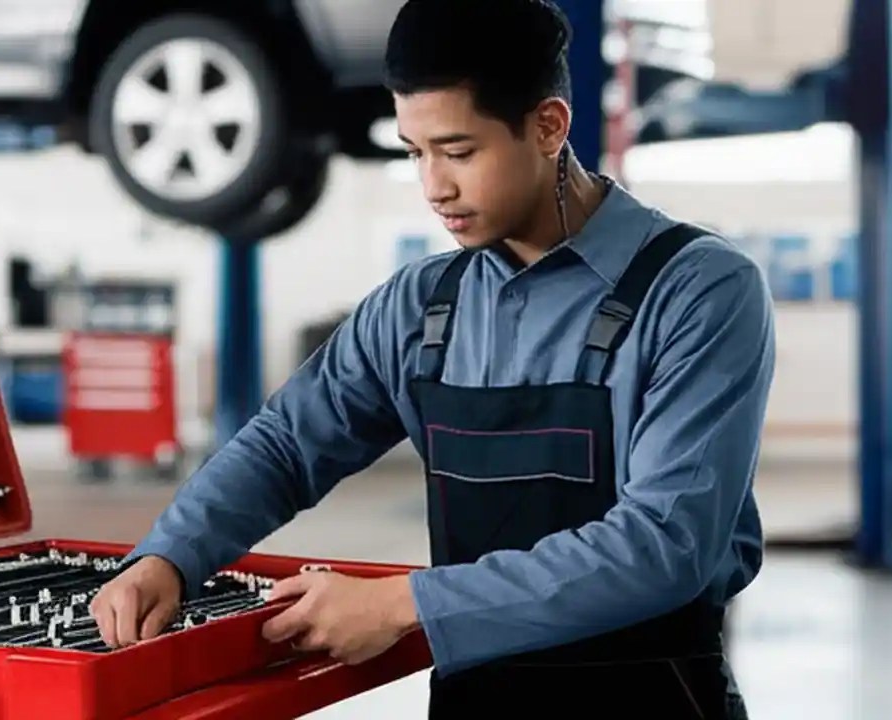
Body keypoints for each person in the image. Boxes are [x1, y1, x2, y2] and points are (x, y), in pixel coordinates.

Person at [90, 0, 774, 717]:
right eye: (415, 153)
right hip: (474, 700)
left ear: (548, 127)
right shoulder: (421, 306)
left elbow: (665, 546)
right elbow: (287, 445)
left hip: (651, 698)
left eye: (459, 151)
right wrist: (169, 554)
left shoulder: (699, 290)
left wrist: (406, 603)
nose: (434, 188)